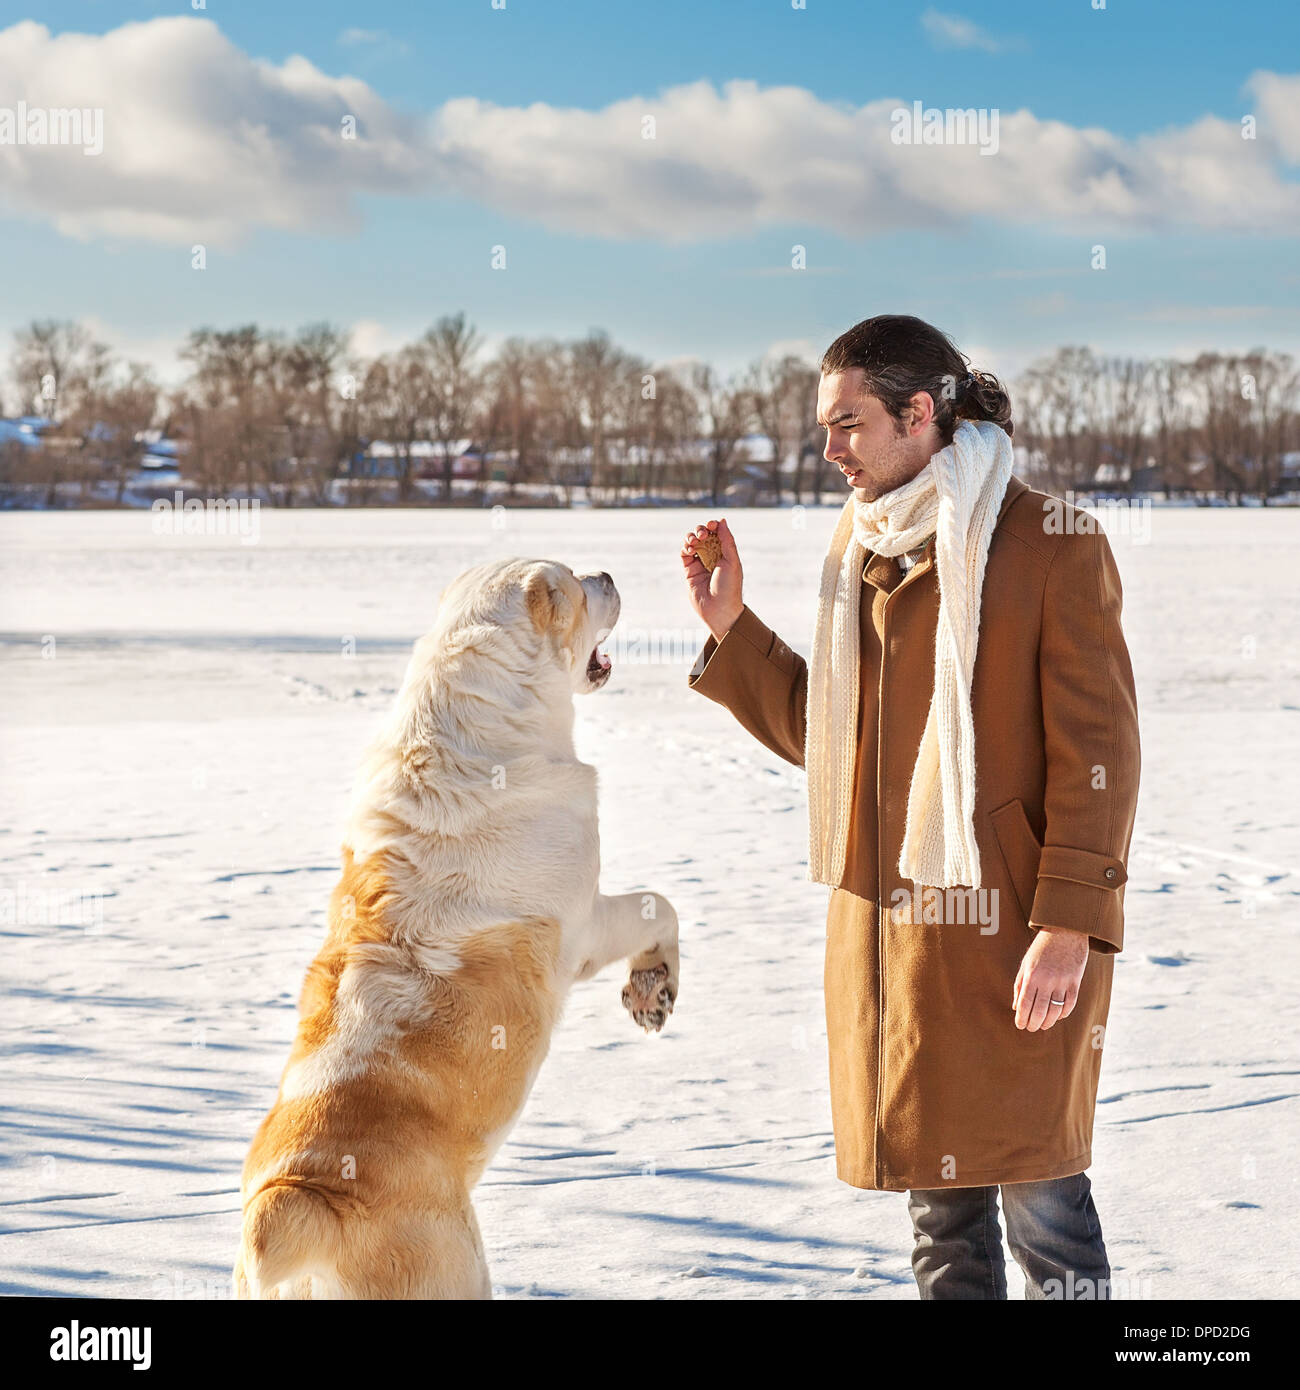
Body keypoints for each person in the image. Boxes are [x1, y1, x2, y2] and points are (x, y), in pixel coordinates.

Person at [681, 314, 1140, 1300]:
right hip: (900, 945)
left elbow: (1099, 758)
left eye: (847, 423)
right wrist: (734, 629)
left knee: (1042, 1206)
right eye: (824, 424)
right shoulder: (864, 547)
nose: (828, 447)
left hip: (1010, 938)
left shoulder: (1049, 543)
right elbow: (838, 744)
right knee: (940, 1223)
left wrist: (1068, 925)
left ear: (918, 413)